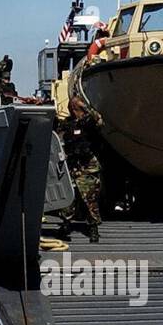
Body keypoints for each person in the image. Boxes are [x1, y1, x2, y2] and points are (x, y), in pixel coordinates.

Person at [58, 91, 102, 243]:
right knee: (68, 198)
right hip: (71, 165)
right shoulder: (68, 124)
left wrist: (85, 106)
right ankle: (65, 224)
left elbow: (98, 119)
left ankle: (93, 227)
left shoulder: (89, 122)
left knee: (89, 199)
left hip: (87, 165)